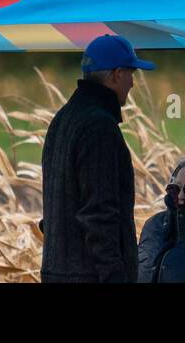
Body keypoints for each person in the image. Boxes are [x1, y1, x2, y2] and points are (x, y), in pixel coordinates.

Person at [40, 33, 155, 282]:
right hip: (89, 275)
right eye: (131, 74)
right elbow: (98, 212)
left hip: (56, 271)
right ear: (116, 75)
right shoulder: (99, 126)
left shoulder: (62, 119)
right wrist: (114, 275)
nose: (133, 84)